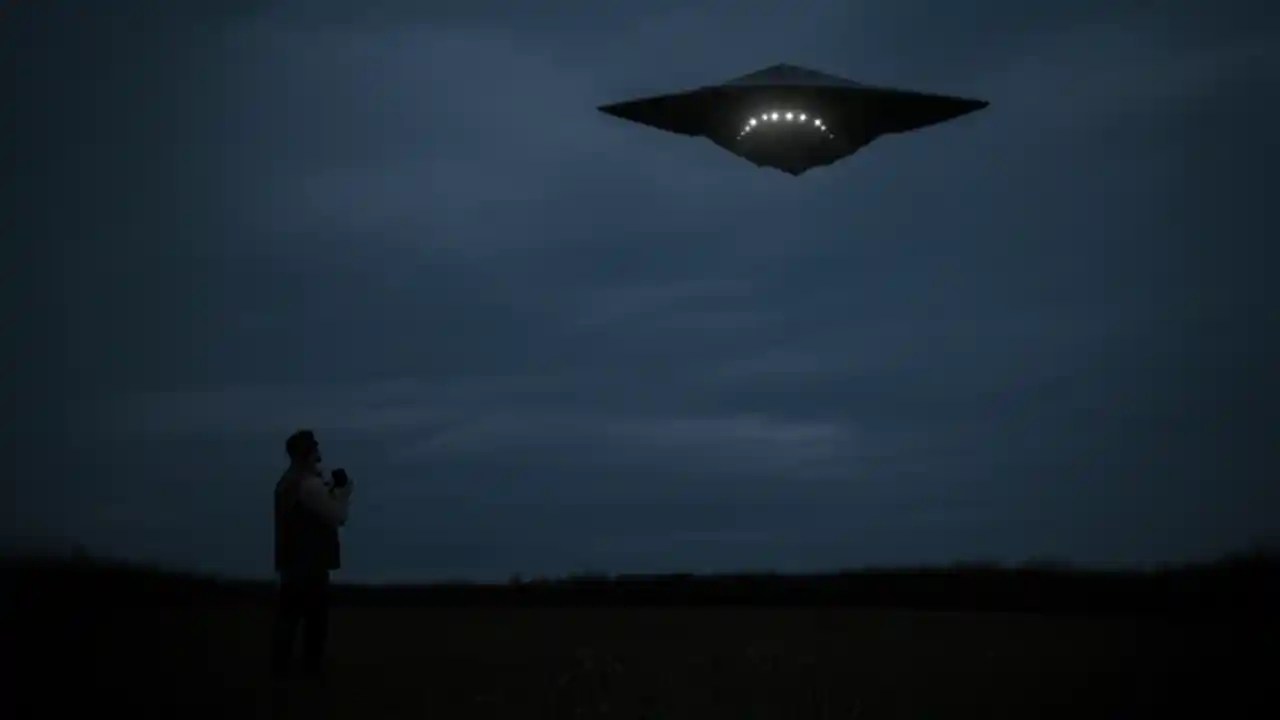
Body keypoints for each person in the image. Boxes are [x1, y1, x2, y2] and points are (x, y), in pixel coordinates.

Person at [271, 429, 353, 681]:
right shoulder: (308, 485)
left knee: (289, 620)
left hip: (291, 562)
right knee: (315, 623)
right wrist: (343, 492)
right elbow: (337, 516)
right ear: (307, 453)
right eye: (314, 449)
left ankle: (281, 672)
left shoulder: (287, 482)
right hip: (311, 563)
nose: (318, 454)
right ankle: (310, 673)